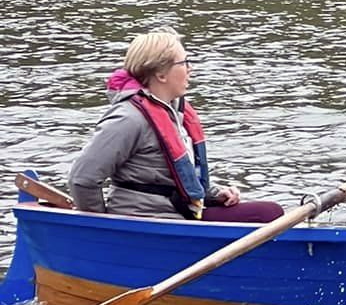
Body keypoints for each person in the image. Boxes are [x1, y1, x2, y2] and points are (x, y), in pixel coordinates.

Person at [67, 29, 284, 223]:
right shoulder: (128, 119)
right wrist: (104, 225)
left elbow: (173, 176)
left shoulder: (173, 111)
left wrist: (214, 193)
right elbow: (82, 179)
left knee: (269, 213)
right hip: (148, 220)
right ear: (161, 74)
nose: (190, 69)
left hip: (178, 211)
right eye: (184, 63)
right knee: (268, 215)